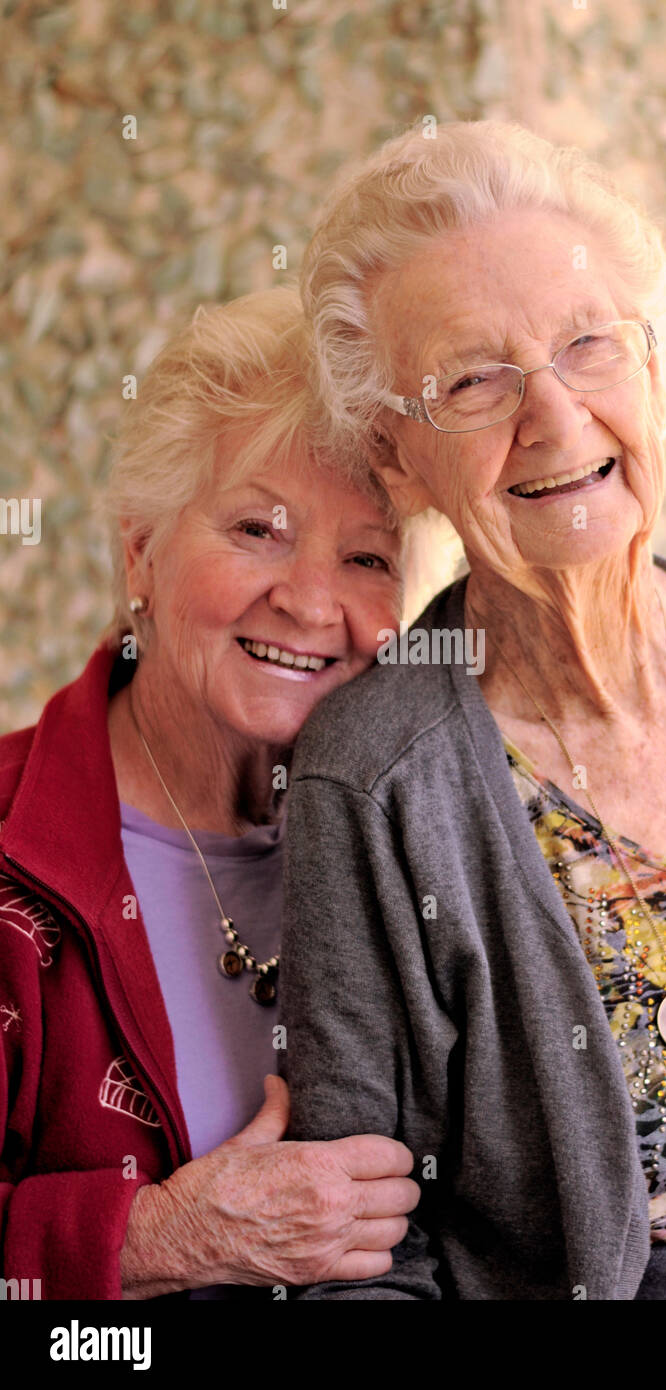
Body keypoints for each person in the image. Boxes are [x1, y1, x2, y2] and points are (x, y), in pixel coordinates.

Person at [279, 121, 666, 1300]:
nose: (552, 417)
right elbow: (358, 1257)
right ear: (396, 458)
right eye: (473, 379)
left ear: (654, 373)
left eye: (586, 344)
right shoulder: (371, 779)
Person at [0, 287, 422, 1300]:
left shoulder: (429, 831)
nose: (312, 600)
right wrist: (156, 1237)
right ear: (140, 549)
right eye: (256, 529)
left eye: (366, 556)